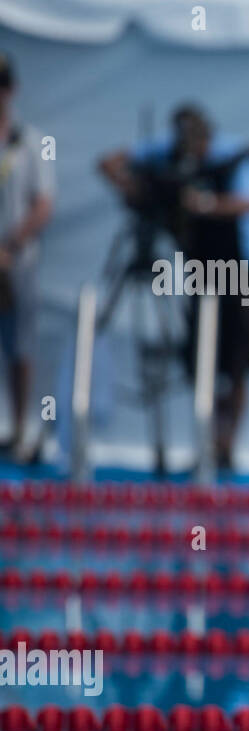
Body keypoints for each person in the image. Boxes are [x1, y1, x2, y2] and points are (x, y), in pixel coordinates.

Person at [99, 103, 249, 471]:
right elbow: (108, 162)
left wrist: (203, 205)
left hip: (243, 271)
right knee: (199, 357)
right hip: (202, 271)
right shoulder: (168, 149)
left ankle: (227, 446)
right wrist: (137, 191)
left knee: (239, 362)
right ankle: (204, 442)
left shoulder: (236, 157)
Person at [0, 53, 55, 463]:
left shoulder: (33, 142)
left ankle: (20, 428)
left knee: (21, 346)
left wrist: (9, 246)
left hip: (16, 261)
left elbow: (43, 204)